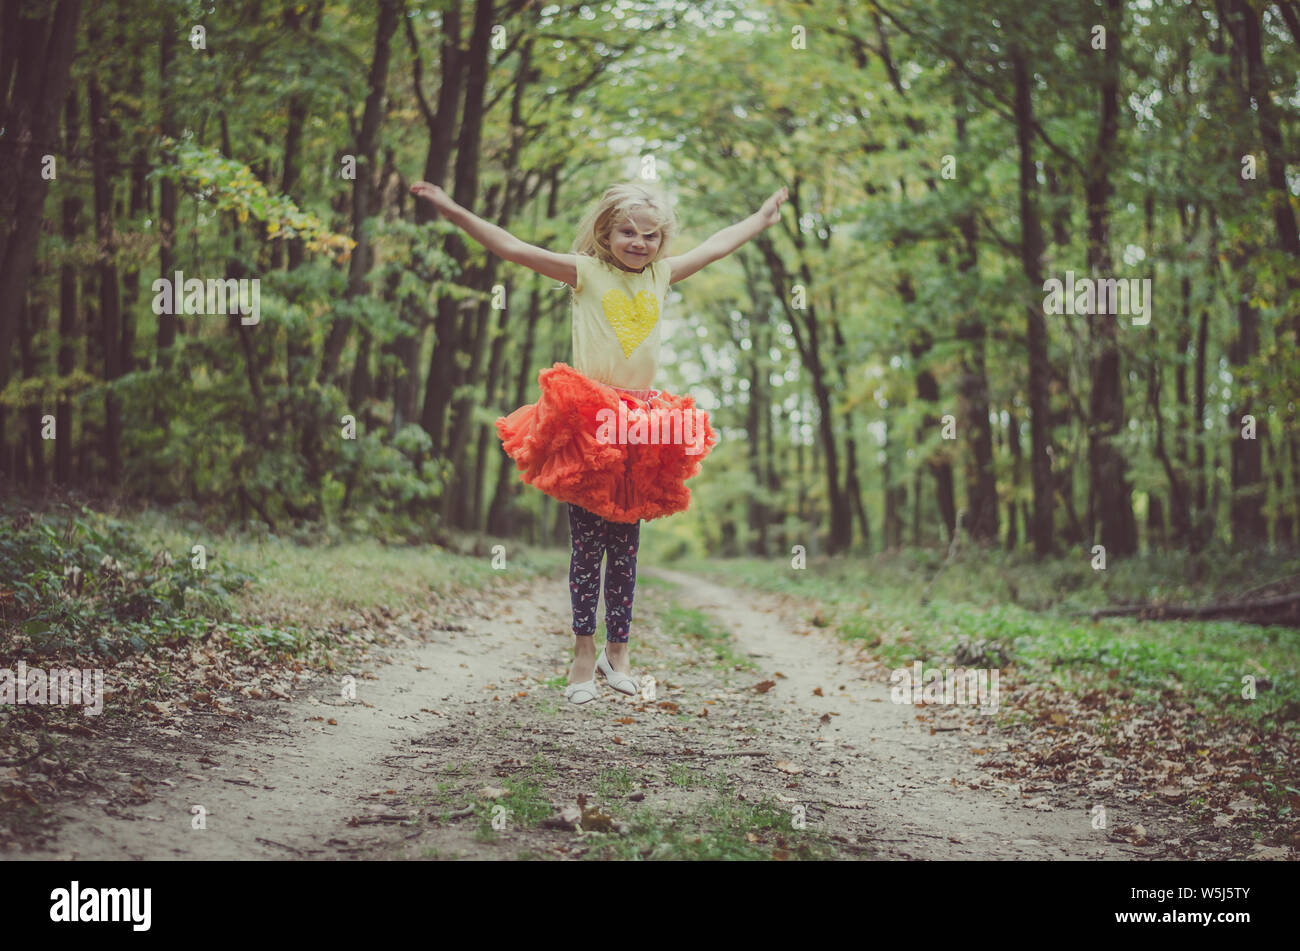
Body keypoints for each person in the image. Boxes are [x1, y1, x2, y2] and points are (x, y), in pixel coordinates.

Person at [410, 178, 788, 704]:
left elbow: (717, 243)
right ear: (606, 233)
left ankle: (620, 652)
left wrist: (761, 218)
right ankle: (583, 653)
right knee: (587, 545)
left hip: (640, 426)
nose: (639, 242)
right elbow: (511, 247)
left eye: (651, 235)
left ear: (661, 241)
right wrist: (451, 209)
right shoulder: (583, 271)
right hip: (590, 418)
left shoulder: (662, 274)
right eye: (628, 232)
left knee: (626, 547)